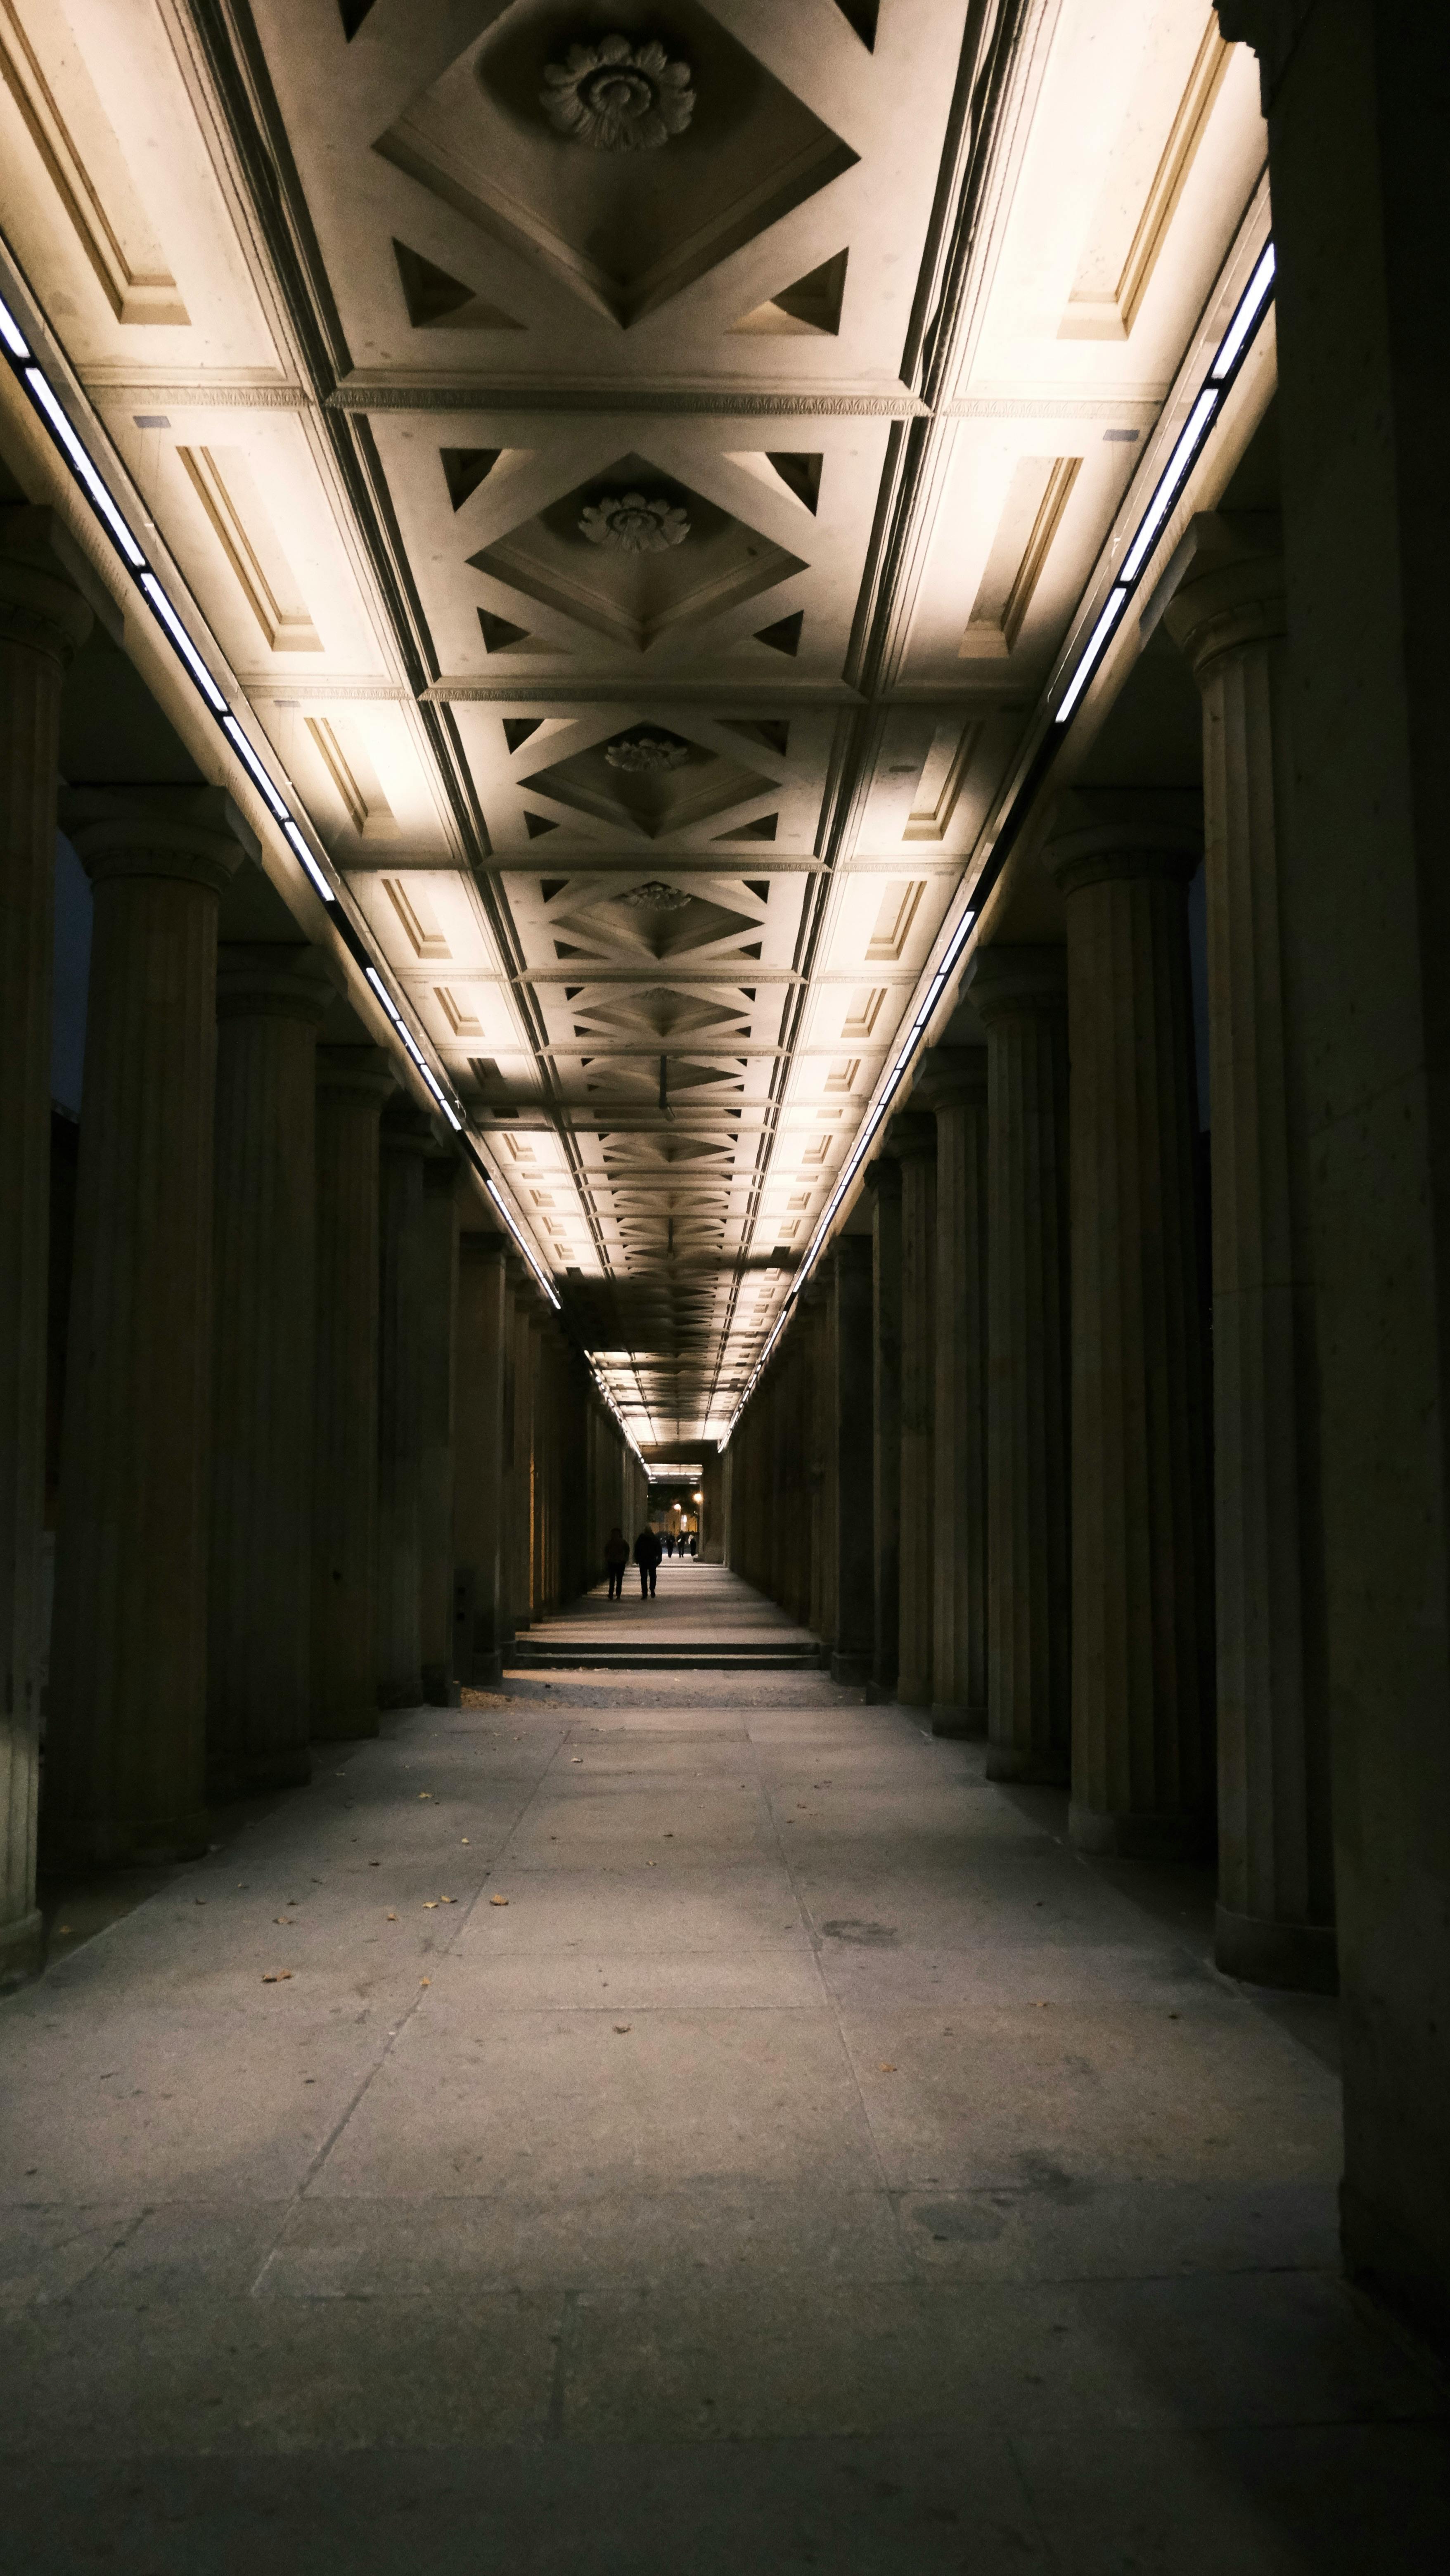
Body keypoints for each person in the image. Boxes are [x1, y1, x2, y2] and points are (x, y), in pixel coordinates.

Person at [633, 1525, 661, 1597]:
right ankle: (651, 1589)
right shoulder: (654, 1539)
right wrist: (659, 1559)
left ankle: (645, 1592)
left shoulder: (641, 1539)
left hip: (644, 1560)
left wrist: (637, 1558)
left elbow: (637, 1549)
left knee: (644, 1577)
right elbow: (659, 1549)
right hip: (651, 1560)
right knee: (652, 1576)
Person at [604, 1524, 628, 1600]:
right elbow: (606, 1551)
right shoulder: (612, 1542)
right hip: (614, 1562)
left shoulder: (619, 1542)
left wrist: (625, 1558)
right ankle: (612, 1594)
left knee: (617, 1579)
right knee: (614, 1579)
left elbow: (627, 1550)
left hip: (619, 1562)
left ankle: (616, 1594)